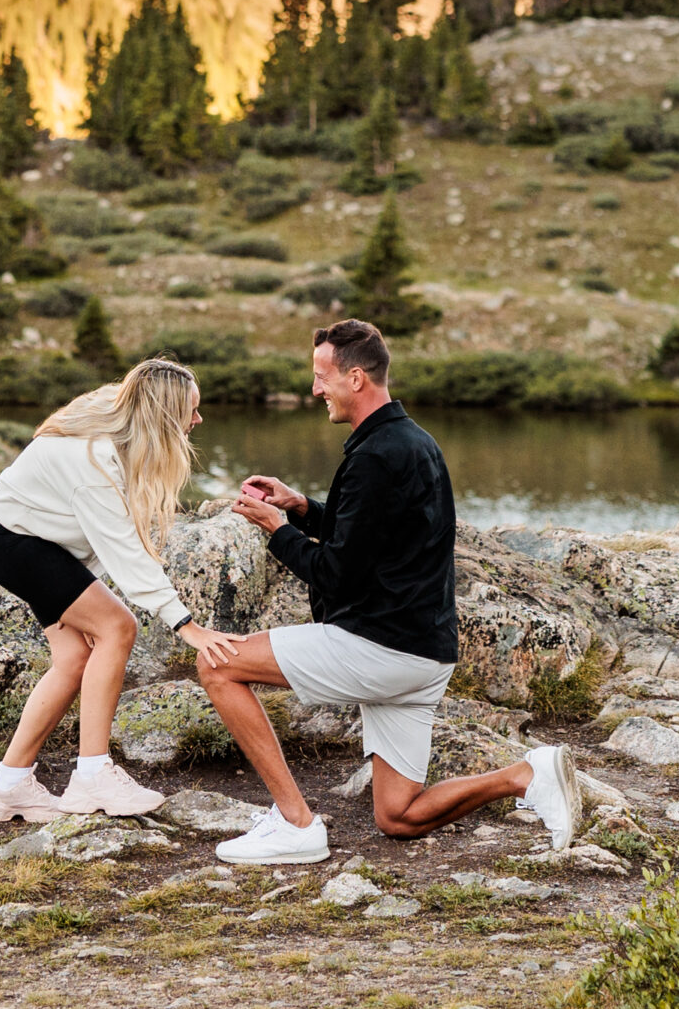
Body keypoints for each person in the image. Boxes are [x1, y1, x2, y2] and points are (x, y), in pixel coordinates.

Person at [196, 318, 581, 865]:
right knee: (398, 816)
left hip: (382, 647)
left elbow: (336, 573)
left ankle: (294, 822)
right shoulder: (411, 440)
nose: (314, 390)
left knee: (218, 665)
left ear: (355, 378)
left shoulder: (377, 455)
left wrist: (274, 530)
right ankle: (526, 776)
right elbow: (368, 537)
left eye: (321, 377)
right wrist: (302, 508)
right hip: (423, 654)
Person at [0, 357, 241, 823]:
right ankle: (92, 775)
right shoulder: (94, 460)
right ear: (163, 414)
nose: (198, 420)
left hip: (25, 537)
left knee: (73, 658)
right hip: (17, 540)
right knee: (118, 626)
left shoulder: (121, 414)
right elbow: (127, 556)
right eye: (191, 411)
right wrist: (186, 626)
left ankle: (6, 787)